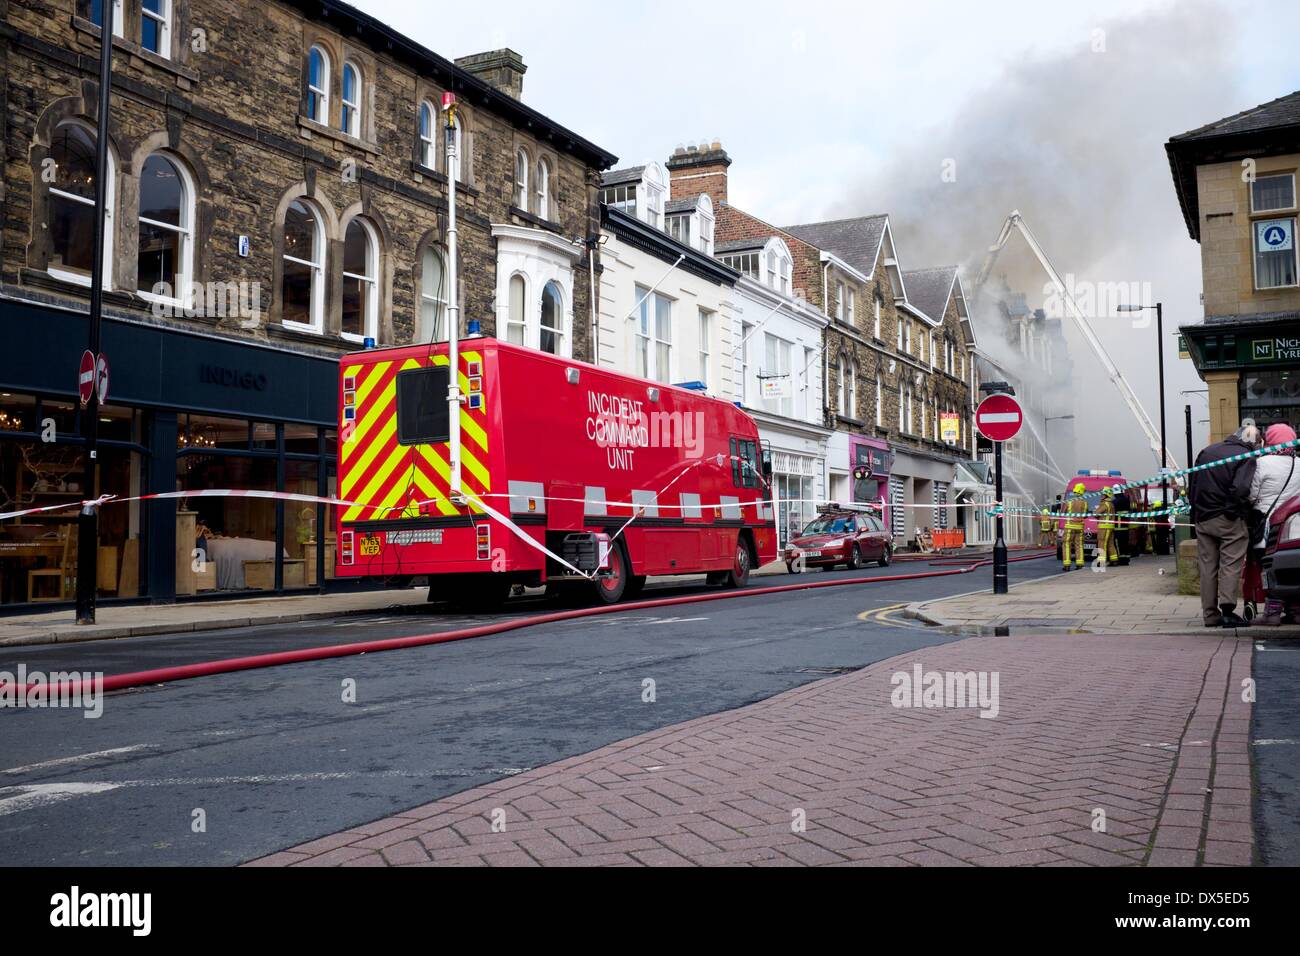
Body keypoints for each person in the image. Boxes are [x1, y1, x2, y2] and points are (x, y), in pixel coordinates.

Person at [1189, 423, 1260, 628]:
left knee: (1207, 566)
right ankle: (1228, 612)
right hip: (1228, 519)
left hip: (1203, 518)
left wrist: (1196, 513)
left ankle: (1210, 615)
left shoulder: (1207, 451)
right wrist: (1232, 510)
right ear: (1253, 442)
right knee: (1230, 564)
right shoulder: (1245, 456)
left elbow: (1192, 484)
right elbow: (1241, 488)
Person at [1249, 423, 1300, 625]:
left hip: (1267, 526)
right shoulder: (1298, 463)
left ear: (1270, 440)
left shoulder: (1262, 463)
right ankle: (1296, 611)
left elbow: (1252, 495)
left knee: (1267, 568)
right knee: (1292, 570)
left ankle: (1272, 613)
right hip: (1292, 527)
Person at [1062, 482, 1088, 572]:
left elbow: (1063, 512)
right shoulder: (1085, 503)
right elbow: (1085, 515)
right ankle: (1080, 564)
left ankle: (1067, 565)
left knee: (1066, 544)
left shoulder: (1069, 502)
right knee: (1079, 545)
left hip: (1069, 526)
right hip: (1080, 527)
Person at [1093, 487, 1120, 570]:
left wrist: (1095, 512)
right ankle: (1114, 559)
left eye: (1102, 494)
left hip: (1104, 527)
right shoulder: (1111, 504)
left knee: (1102, 543)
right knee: (1110, 543)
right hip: (1110, 526)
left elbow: (1096, 513)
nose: (1101, 495)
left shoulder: (1104, 504)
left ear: (1106, 495)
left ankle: (1101, 562)